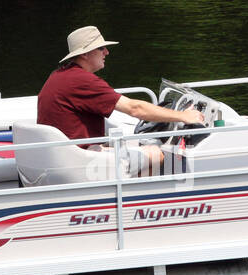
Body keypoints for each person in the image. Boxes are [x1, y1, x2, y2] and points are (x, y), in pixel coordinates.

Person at [37, 25, 203, 175]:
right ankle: (138, 205)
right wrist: (183, 116)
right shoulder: (82, 81)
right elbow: (134, 109)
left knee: (139, 146)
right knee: (158, 154)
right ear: (85, 54)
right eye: (101, 48)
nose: (107, 52)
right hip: (78, 161)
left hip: (63, 157)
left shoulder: (59, 76)